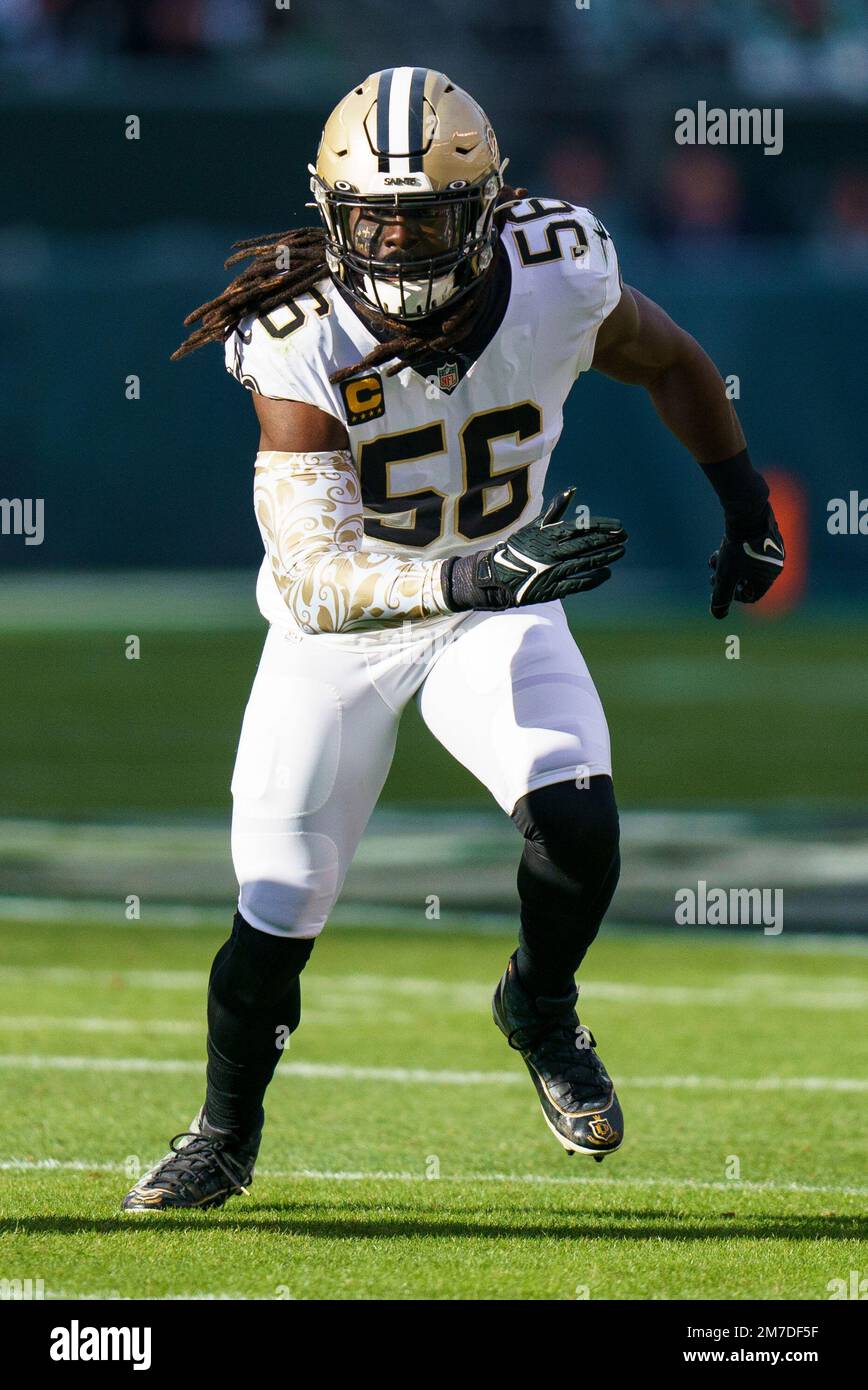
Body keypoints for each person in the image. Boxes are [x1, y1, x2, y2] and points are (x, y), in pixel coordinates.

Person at [122, 67, 784, 1211]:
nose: (395, 244)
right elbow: (318, 577)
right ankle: (225, 1130)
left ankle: (538, 1004)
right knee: (277, 904)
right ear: (331, 212)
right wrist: (480, 570)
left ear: (486, 210)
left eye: (423, 218)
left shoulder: (558, 270)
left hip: (496, 606)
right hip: (349, 632)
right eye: (373, 217)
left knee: (577, 819)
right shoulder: (298, 335)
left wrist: (743, 505)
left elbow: (671, 359)